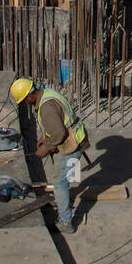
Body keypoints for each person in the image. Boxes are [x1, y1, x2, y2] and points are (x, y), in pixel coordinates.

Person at [9, 76, 89, 233]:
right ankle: (67, 197)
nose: (26, 103)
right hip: (76, 138)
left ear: (30, 95)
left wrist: (45, 148)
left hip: (70, 145)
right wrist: (45, 137)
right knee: (67, 176)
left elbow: (58, 133)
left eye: (25, 100)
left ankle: (66, 222)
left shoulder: (46, 107)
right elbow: (59, 121)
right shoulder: (47, 93)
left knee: (59, 182)